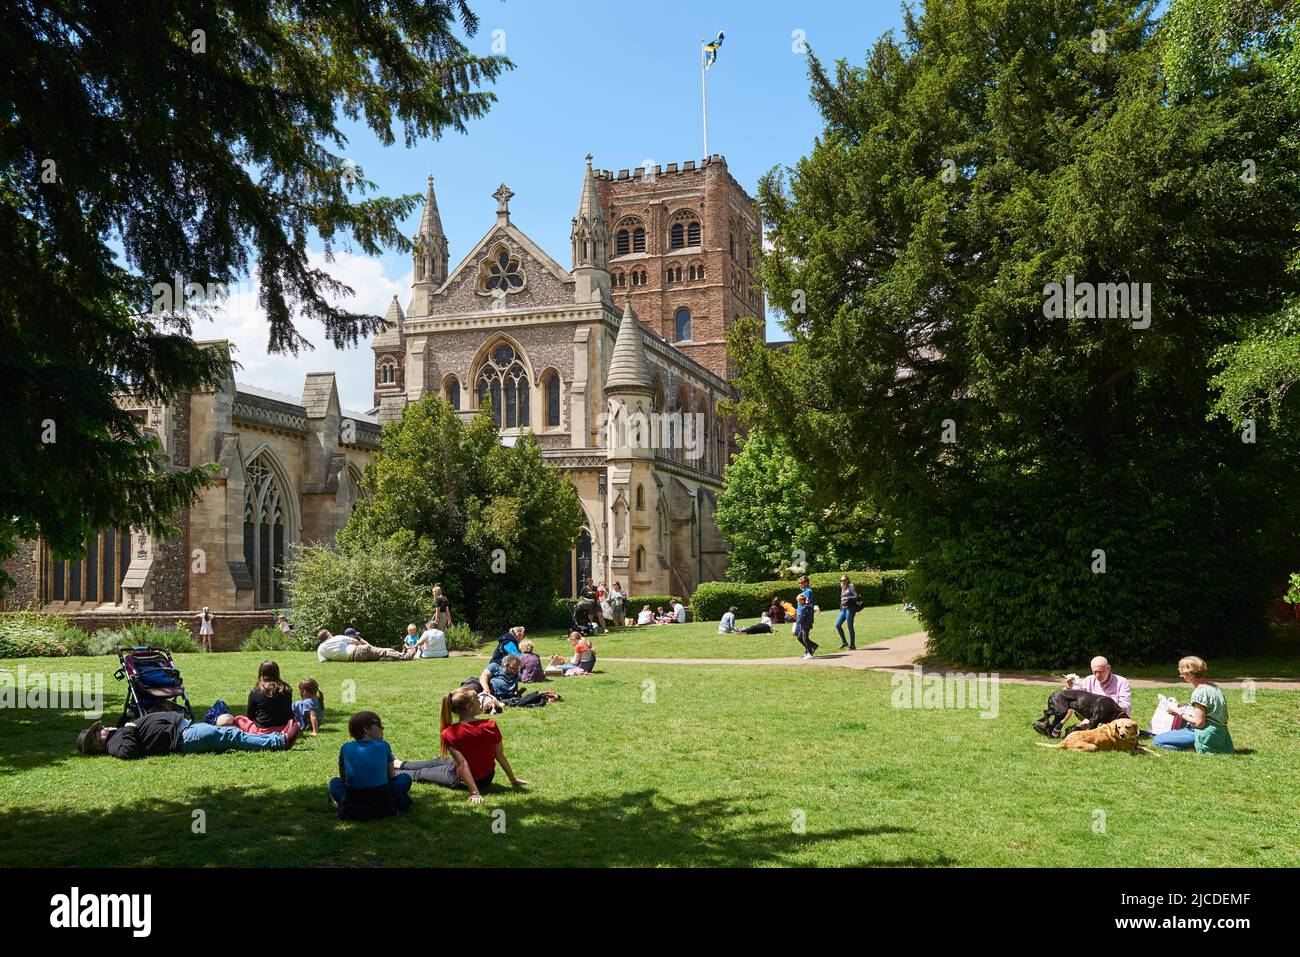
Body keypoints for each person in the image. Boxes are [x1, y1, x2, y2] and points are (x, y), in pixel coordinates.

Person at [392, 687, 528, 803]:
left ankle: (393, 771)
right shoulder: (490, 725)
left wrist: (475, 792)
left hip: (461, 779)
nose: (481, 703)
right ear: (469, 707)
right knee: (438, 761)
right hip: (486, 778)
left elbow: (462, 764)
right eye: (477, 701)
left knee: (420, 773)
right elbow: (500, 756)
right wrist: (512, 779)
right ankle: (400, 763)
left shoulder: (449, 732)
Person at [77, 710, 294, 758]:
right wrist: (130, 729)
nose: (101, 730)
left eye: (98, 729)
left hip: (184, 729)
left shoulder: (116, 735)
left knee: (230, 734)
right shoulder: (116, 744)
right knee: (232, 736)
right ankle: (279, 741)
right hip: (183, 737)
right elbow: (128, 752)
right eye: (96, 734)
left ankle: (277, 737)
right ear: (96, 746)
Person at [328, 711, 412, 820]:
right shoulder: (384, 745)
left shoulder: (345, 747)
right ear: (366, 729)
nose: (383, 728)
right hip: (382, 799)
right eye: (379, 725)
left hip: (353, 800)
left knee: (334, 782)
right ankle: (393, 801)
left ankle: (345, 804)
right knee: (404, 778)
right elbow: (390, 776)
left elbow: (343, 777)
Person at [1152, 656, 1235, 754]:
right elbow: (1210, 711)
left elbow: (1199, 723)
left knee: (1157, 740)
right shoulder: (1213, 687)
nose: (1182, 676)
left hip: (1205, 733)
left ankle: (1195, 747)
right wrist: (1184, 708)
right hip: (1220, 733)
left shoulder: (1199, 692)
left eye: (1182, 673)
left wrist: (1179, 712)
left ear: (1190, 674)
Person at [225, 659, 300, 736]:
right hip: (286, 728)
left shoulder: (256, 691)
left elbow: (250, 715)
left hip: (264, 730)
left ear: (261, 673)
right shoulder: (286, 689)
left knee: (239, 719)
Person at [479, 655, 546, 707]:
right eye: (513, 668)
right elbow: (484, 676)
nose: (515, 671)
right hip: (490, 692)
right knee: (473, 682)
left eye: (517, 669)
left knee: (522, 700)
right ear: (506, 665)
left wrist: (517, 692)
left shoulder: (516, 674)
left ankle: (540, 695)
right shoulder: (495, 667)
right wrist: (486, 688)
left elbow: (514, 691)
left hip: (506, 698)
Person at [315, 628, 405, 662]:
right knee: (383, 651)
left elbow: (323, 661)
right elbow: (356, 642)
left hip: (353, 659)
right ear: (328, 635)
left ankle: (386, 659)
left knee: (377, 655)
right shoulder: (337, 637)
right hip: (358, 651)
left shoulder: (320, 649)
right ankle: (405, 656)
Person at [837, 575, 859, 650]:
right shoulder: (843, 588)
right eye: (841, 580)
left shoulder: (851, 586)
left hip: (850, 609)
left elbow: (856, 597)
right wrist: (840, 609)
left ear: (847, 580)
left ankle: (852, 645)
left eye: (844, 580)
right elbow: (841, 600)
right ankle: (844, 642)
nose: (842, 582)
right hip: (843, 609)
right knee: (838, 625)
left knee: (849, 626)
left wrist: (848, 598)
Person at [795, 593, 818, 659]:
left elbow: (802, 618)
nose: (798, 602)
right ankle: (812, 647)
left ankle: (810, 654)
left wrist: (797, 621)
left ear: (802, 600)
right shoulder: (806, 607)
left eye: (798, 601)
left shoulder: (805, 608)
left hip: (805, 625)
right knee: (799, 637)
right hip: (804, 625)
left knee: (805, 639)